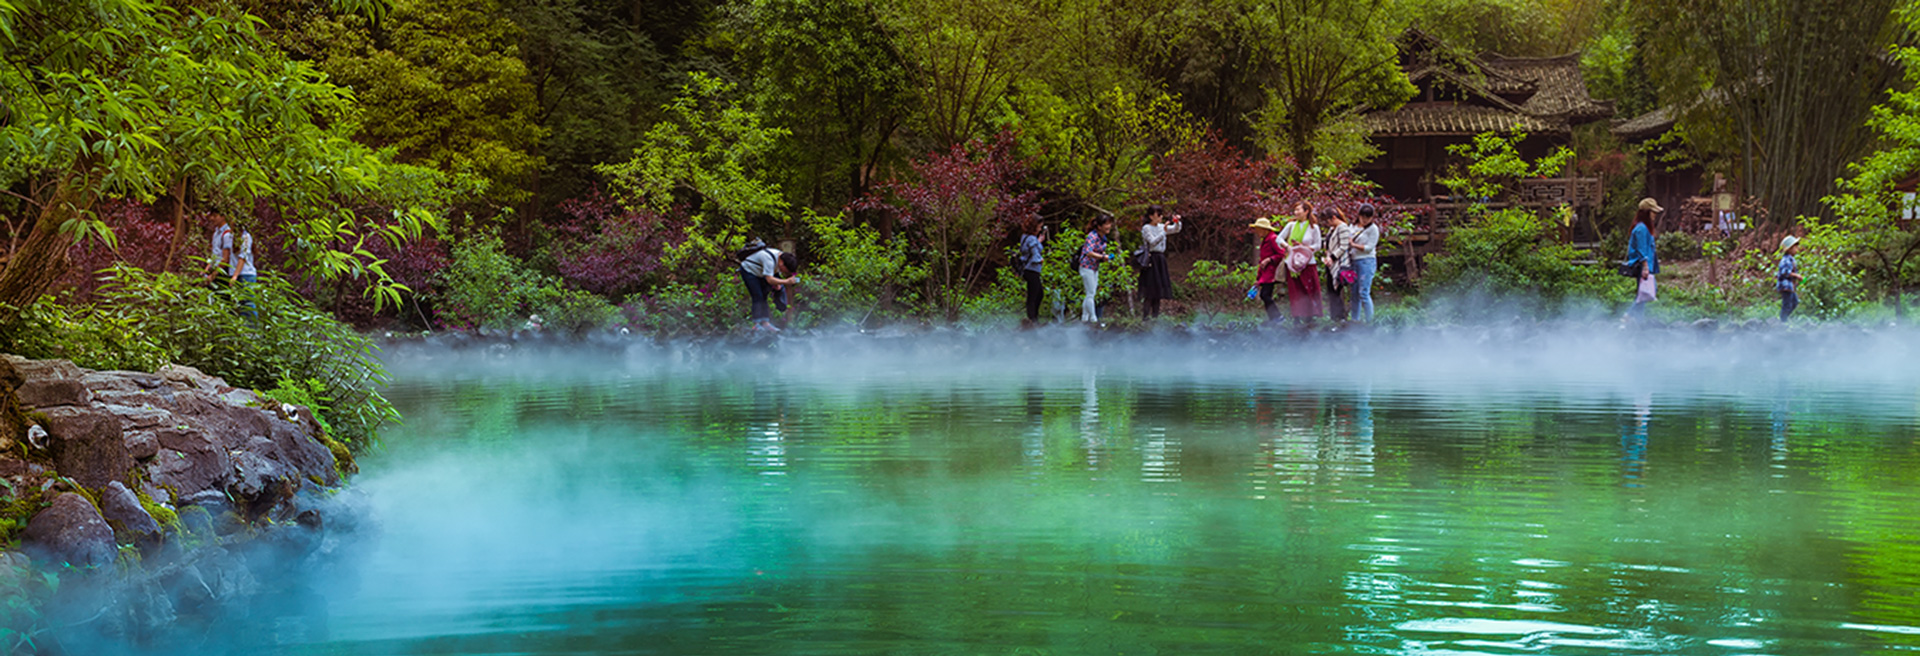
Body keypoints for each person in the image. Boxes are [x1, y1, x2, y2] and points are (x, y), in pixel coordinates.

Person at [739, 238, 800, 332]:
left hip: (760, 273)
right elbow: (770, 279)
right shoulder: (768, 259)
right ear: (782, 264)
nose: (785, 272)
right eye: (786, 270)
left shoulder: (780, 257)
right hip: (749, 271)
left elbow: (774, 272)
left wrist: (778, 284)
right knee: (757, 296)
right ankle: (756, 324)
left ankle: (765, 323)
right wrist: (786, 281)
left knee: (764, 295)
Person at [1279, 202, 1322, 327]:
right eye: (1295, 210)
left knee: (1309, 289)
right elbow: (1279, 239)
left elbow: (1318, 245)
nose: (1296, 212)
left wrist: (1303, 248)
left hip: (1308, 262)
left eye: (1298, 210)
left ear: (1306, 211)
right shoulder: (1291, 225)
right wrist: (1288, 247)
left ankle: (1310, 316)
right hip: (1292, 263)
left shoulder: (1314, 228)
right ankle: (1296, 317)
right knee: (1295, 291)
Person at [1137, 206, 1183, 320]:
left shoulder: (1161, 227)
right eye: (1158, 215)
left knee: (1158, 291)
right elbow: (1152, 242)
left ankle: (1155, 318)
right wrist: (1164, 232)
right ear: (1151, 216)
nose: (1161, 217)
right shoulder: (1146, 228)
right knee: (1150, 291)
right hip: (1151, 259)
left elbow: (1176, 229)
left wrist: (1177, 222)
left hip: (1160, 259)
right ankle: (1145, 318)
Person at [1624, 198, 1662, 322]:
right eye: (1653, 212)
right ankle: (1628, 316)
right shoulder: (1641, 229)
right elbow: (1641, 249)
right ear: (1646, 212)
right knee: (1645, 293)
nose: (1655, 215)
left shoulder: (1644, 227)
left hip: (1646, 264)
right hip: (1642, 265)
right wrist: (1645, 267)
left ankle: (1637, 320)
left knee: (1644, 293)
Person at [1320, 207, 1356, 324]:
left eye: (1328, 220)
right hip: (1330, 264)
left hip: (1339, 264)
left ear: (1334, 217)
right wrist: (1327, 256)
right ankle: (1334, 319)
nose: (1327, 223)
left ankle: (1340, 319)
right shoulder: (1332, 229)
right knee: (1331, 291)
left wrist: (1332, 257)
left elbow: (1344, 246)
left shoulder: (1343, 228)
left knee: (1336, 292)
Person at [1077, 214, 1114, 323]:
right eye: (1106, 224)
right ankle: (1094, 319)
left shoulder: (1102, 237)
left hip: (1094, 268)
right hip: (1086, 267)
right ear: (1099, 226)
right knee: (1091, 293)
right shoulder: (1092, 236)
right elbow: (1089, 252)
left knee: (1090, 293)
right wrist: (1102, 257)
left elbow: (1099, 251)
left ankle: (1084, 318)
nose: (1109, 226)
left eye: (1109, 223)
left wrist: (1105, 256)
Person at [1348, 204, 1381, 322]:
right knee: (1354, 293)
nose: (1365, 220)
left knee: (1364, 293)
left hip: (1366, 261)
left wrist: (1353, 245)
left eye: (1368, 217)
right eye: (1363, 217)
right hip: (1353, 261)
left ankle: (1370, 321)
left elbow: (1369, 248)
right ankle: (1354, 320)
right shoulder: (1352, 226)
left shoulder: (1373, 229)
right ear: (1359, 215)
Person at [204, 213, 256, 285]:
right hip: (233, 273)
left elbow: (243, 257)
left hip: (246, 274)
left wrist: (235, 276)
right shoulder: (232, 236)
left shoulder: (246, 236)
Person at [1250, 216, 1285, 323]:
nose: (1256, 232)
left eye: (1258, 229)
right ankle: (1274, 319)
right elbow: (1262, 260)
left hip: (1271, 273)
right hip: (1265, 273)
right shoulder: (1265, 240)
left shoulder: (1273, 238)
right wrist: (1258, 278)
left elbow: (1281, 253)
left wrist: (1270, 259)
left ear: (1264, 229)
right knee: (1265, 295)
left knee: (1265, 295)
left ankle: (1278, 317)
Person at [1015, 217, 1047, 326]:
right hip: (1032, 269)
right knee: (1034, 295)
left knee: (1037, 293)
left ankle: (1033, 318)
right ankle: (1033, 320)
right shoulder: (1032, 239)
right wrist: (1040, 260)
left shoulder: (1025, 237)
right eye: (1039, 226)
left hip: (1026, 269)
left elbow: (1029, 248)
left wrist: (1039, 241)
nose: (1040, 229)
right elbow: (1034, 253)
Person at [1777, 235, 1803, 323]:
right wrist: (1797, 276)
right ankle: (1783, 321)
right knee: (1787, 304)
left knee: (1794, 302)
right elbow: (1785, 272)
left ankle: (1785, 319)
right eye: (1795, 247)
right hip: (1785, 286)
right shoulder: (1786, 260)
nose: (1797, 249)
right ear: (1790, 249)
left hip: (1790, 286)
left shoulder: (1791, 259)